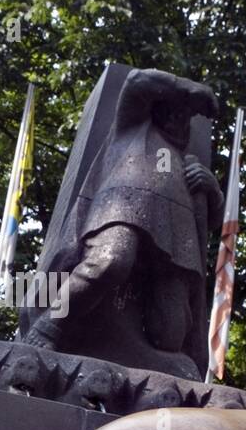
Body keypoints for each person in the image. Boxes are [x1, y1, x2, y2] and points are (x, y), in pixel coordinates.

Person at [22, 69, 224, 374]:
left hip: (174, 244)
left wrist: (212, 190)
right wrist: (186, 87)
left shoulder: (189, 166)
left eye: (183, 114)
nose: (176, 117)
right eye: (170, 108)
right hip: (123, 212)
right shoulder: (130, 129)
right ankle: (50, 325)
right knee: (110, 261)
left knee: (170, 332)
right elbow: (137, 81)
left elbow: (212, 227)